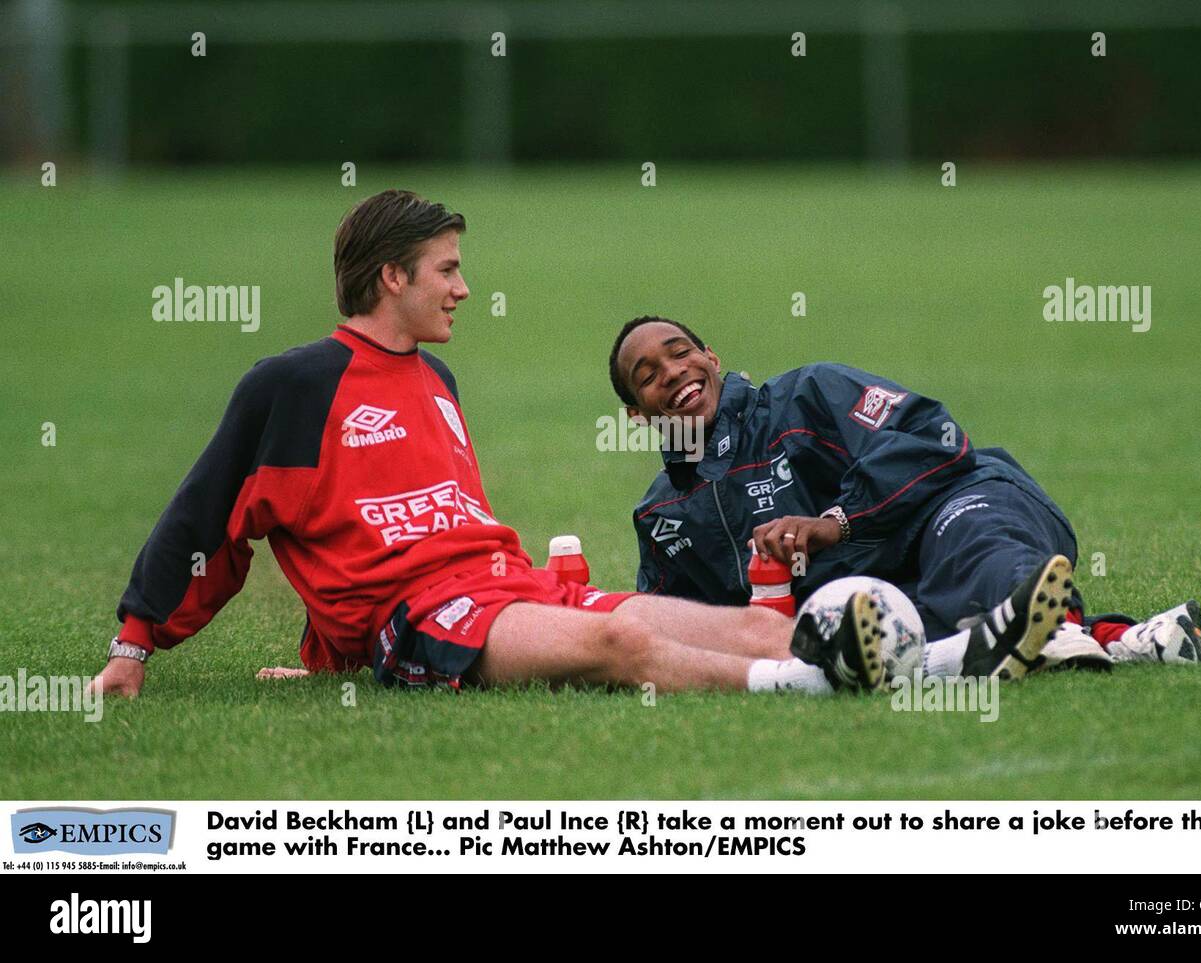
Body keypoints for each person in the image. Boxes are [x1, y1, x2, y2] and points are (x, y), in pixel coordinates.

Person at [89, 190, 1069, 702]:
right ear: (391, 279)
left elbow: (354, 529)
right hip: (426, 613)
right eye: (447, 270)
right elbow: (213, 518)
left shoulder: (437, 384)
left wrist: (324, 657)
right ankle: (858, 684)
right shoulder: (292, 386)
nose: (464, 289)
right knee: (621, 644)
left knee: (756, 629)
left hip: (508, 584)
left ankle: (942, 659)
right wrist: (136, 644)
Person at [609, 315, 1201, 673]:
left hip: (954, 506)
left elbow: (937, 437)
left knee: (973, 539)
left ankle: (1054, 630)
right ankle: (1124, 640)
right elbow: (670, 626)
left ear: (712, 357)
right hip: (889, 600)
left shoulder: (809, 395)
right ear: (638, 415)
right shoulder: (664, 518)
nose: (672, 373)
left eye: (680, 353)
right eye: (648, 376)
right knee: (875, 637)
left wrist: (837, 523)